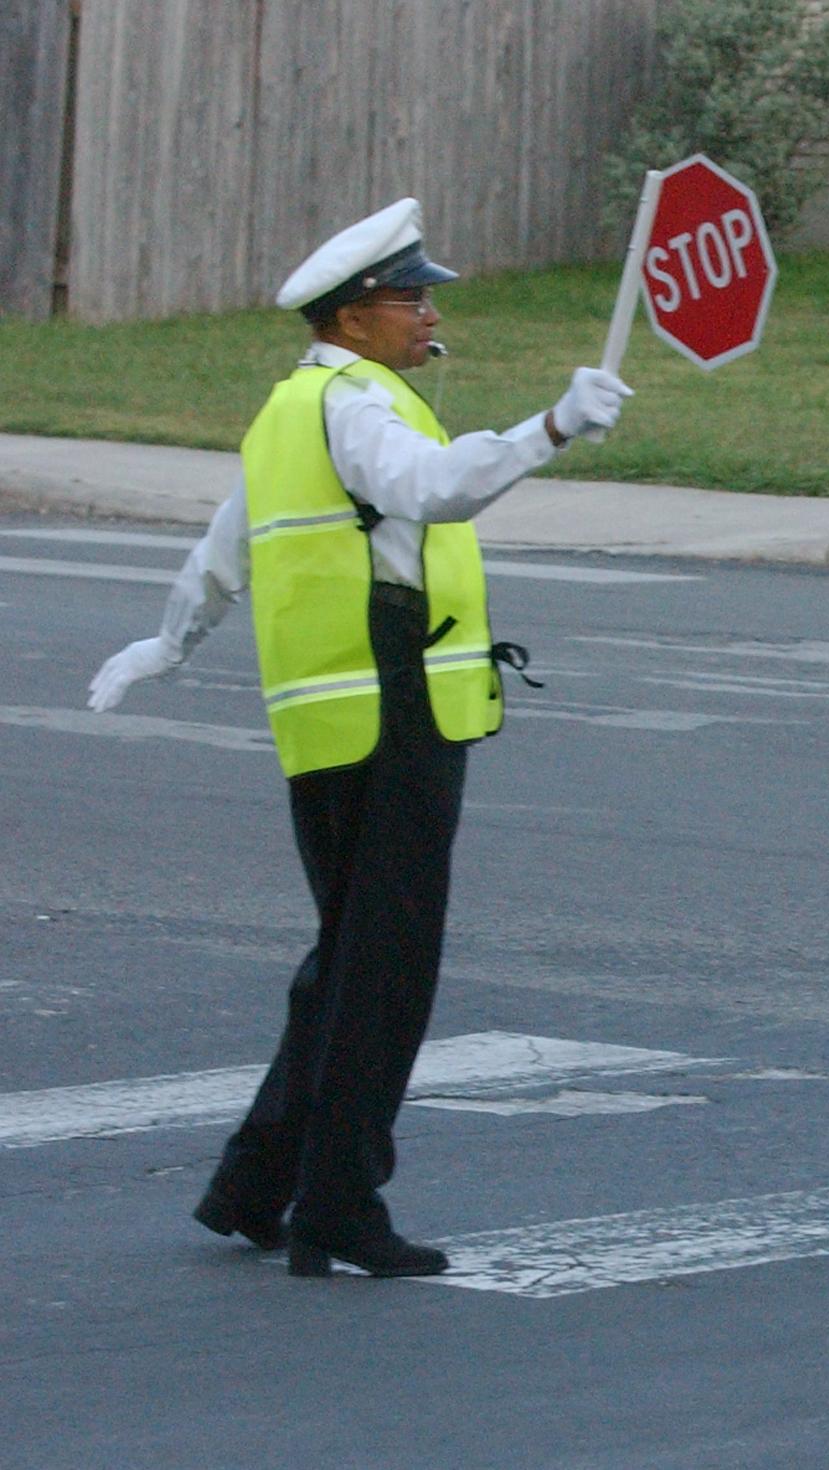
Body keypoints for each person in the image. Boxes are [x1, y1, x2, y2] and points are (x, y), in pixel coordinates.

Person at [86, 199, 633, 1278]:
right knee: (385, 967)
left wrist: (167, 641)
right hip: (394, 709)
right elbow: (434, 490)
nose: (430, 315)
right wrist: (552, 429)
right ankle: (337, 1206)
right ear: (351, 317)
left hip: (333, 722)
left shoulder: (292, 408)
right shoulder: (356, 406)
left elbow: (225, 548)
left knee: (346, 957)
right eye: (411, 299)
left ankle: (256, 1186)